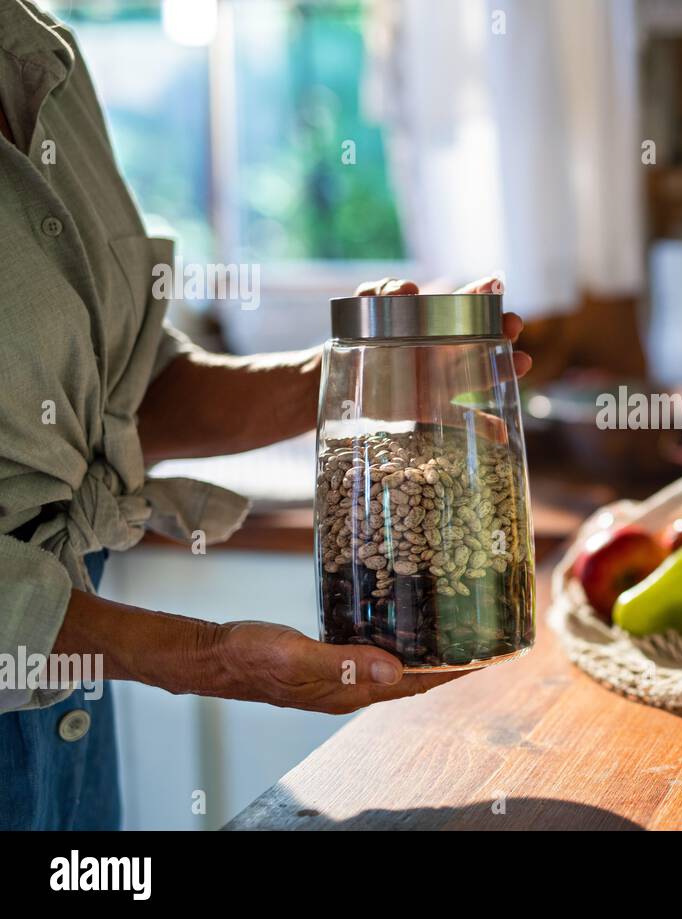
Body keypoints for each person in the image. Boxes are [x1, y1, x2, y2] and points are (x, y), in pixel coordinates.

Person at [0, 0, 530, 830]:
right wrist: (204, 659)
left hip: (66, 720)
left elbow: (120, 393)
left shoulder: (42, 55)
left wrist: (350, 375)